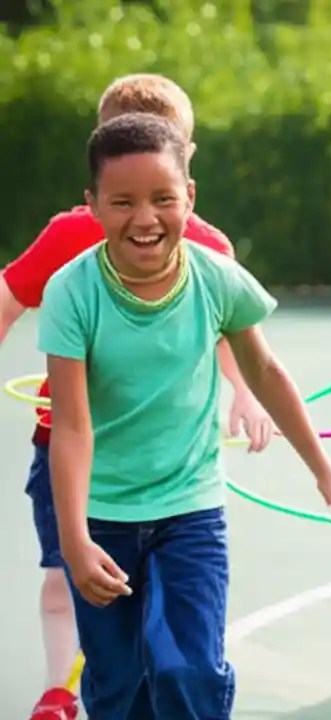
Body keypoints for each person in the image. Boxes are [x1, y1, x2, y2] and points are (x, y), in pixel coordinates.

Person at [39, 112, 331, 720]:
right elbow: (72, 426)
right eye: (122, 202)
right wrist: (74, 540)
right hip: (105, 516)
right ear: (92, 206)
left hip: (189, 512)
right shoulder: (71, 293)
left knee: (188, 668)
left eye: (163, 198)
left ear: (189, 196)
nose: (145, 218)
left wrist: (324, 468)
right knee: (116, 687)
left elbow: (267, 374)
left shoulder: (217, 280)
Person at [0, 73, 275, 720]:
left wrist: (245, 394)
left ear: (184, 168)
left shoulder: (208, 250)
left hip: (169, 466)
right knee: (72, 576)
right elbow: (10, 298)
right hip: (76, 456)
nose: (145, 215)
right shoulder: (70, 238)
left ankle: (97, 689)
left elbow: (232, 336)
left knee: (161, 622)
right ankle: (58, 688)